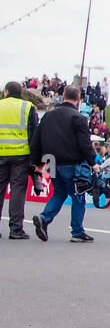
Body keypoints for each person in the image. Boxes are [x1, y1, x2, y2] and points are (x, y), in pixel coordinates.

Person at [31, 85, 95, 243]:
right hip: (71, 162)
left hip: (51, 161)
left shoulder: (48, 115)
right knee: (78, 196)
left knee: (59, 193)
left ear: (63, 95)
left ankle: (44, 218)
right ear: (78, 99)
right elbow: (84, 143)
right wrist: (92, 162)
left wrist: (38, 163)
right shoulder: (78, 117)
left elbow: (36, 140)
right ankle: (77, 232)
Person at [0, 80, 39, 239]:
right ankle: (16, 229)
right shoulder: (28, 107)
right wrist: (35, 160)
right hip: (21, 156)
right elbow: (34, 134)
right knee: (17, 192)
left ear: (6, 92)